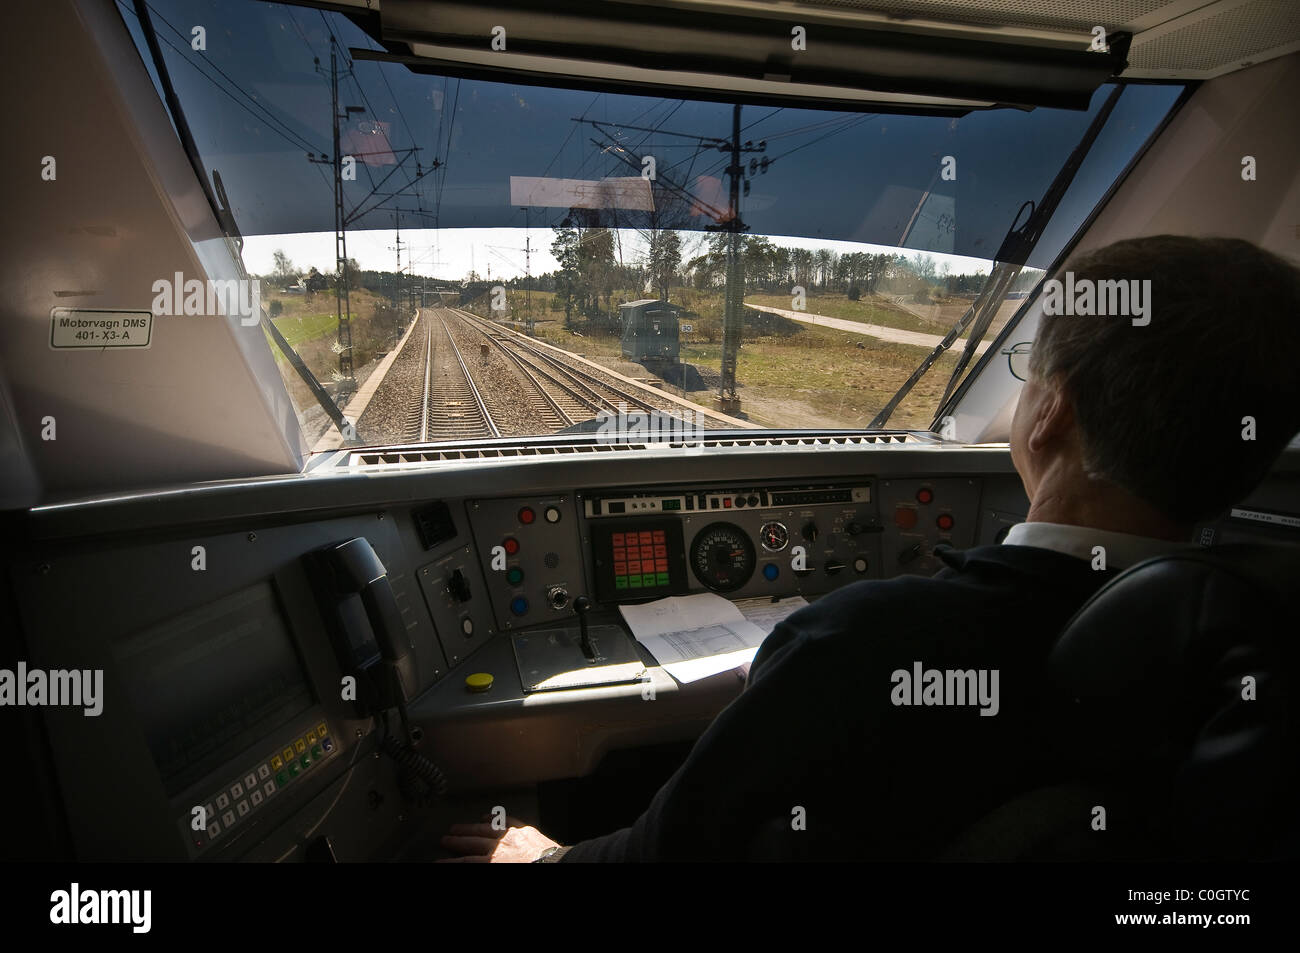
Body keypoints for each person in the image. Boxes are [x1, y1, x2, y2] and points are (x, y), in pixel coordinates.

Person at [440, 235, 1300, 862]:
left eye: (1027, 373)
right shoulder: (1261, 643)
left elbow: (666, 853)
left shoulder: (861, 640)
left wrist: (544, 856)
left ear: (1052, 413)